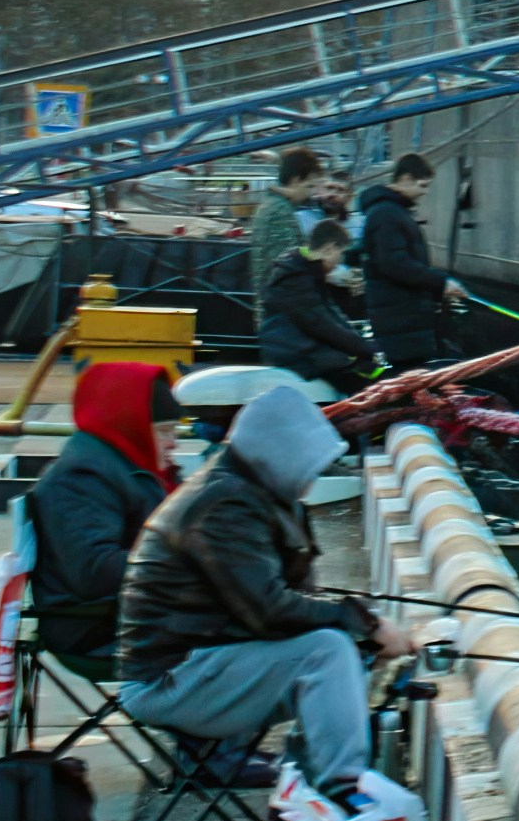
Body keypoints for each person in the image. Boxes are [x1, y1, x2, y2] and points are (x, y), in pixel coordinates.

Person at [113, 372, 396, 788]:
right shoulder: (224, 506)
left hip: (201, 660)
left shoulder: (250, 492)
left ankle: (306, 787)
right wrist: (368, 623)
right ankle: (344, 795)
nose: (312, 478)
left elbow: (290, 599)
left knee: (338, 640)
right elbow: (269, 609)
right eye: (309, 465)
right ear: (281, 455)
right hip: (166, 681)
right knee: (327, 651)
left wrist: (363, 623)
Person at [22, 361, 175, 671]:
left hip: (136, 617)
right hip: (98, 631)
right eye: (162, 431)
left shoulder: (130, 464)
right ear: (128, 422)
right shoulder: (81, 478)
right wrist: (189, 563)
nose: (174, 441)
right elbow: (95, 571)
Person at [352, 156, 458, 374]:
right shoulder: (387, 214)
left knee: (412, 373)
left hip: (403, 316)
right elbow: (394, 264)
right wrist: (440, 282)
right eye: (422, 185)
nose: (425, 192)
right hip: (400, 317)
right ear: (406, 178)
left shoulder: (389, 212)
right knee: (410, 374)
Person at [259, 206, 377, 392]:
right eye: (340, 254)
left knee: (363, 369)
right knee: (359, 380)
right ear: (330, 248)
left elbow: (329, 312)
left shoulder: (304, 269)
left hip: (301, 348)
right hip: (294, 354)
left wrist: (359, 342)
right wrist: (363, 348)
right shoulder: (296, 278)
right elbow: (319, 322)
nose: (339, 262)